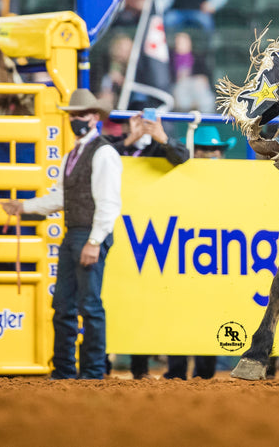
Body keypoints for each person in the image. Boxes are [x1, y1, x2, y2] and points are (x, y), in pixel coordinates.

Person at [2, 90, 122, 379]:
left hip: (87, 234)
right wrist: (23, 206)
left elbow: (108, 203)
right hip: (76, 234)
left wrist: (94, 241)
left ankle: (92, 370)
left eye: (80, 114)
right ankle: (66, 369)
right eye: (73, 115)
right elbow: (59, 198)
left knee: (88, 304)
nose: (75, 119)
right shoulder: (74, 154)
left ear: (95, 117)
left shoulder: (103, 152)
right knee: (65, 304)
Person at [101, 108, 189, 380]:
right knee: (116, 300)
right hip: (120, 234)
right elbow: (99, 158)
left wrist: (161, 137)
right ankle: (127, 369)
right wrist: (130, 139)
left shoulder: (160, 149)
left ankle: (175, 372)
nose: (143, 124)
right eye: (137, 118)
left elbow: (183, 158)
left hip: (157, 235)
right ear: (128, 122)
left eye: (148, 119)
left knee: (167, 301)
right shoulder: (112, 146)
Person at [164, 125, 235, 381]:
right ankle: (177, 369)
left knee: (210, 310)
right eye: (204, 150)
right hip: (183, 252)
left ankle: (204, 371)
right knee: (179, 311)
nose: (211, 154)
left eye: (215, 149)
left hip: (216, 255)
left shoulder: (234, 184)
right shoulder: (178, 179)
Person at [170, 32, 215, 114]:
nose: (181, 44)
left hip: (195, 86)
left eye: (184, 42)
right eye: (179, 42)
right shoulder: (170, 58)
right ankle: (184, 115)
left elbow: (205, 76)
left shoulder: (198, 57)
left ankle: (207, 115)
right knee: (182, 90)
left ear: (189, 43)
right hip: (178, 86)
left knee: (200, 86)